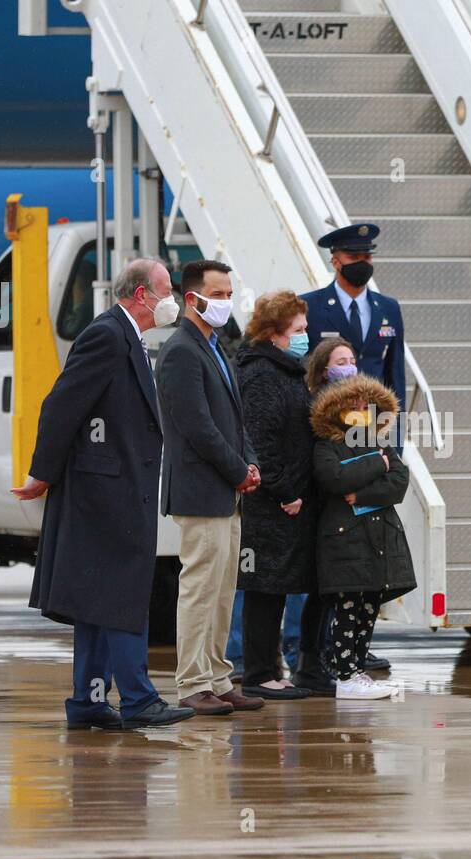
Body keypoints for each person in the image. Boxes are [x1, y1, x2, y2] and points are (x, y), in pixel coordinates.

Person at [14, 258, 193, 730]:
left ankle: (89, 702)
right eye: (165, 289)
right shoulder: (107, 335)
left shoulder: (127, 337)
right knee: (122, 591)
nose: (171, 298)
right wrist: (42, 474)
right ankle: (138, 698)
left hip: (116, 486)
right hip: (103, 490)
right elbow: (60, 406)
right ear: (140, 296)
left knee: (97, 597)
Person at [155, 259, 266, 717]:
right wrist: (237, 469)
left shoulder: (216, 347)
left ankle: (218, 677)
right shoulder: (181, 350)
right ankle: (192, 683)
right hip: (203, 489)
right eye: (217, 295)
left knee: (223, 589)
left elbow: (234, 421)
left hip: (228, 489)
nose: (226, 302)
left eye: (228, 294)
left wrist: (250, 464)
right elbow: (197, 426)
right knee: (200, 588)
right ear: (191, 298)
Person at [233, 290, 328, 699]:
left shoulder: (284, 370)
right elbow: (262, 441)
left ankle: (273, 669)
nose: (307, 336)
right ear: (275, 334)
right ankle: (259, 673)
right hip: (271, 504)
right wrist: (285, 491)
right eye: (300, 330)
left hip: (288, 504)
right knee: (263, 590)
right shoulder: (261, 375)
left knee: (276, 588)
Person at [309, 373, 415, 700]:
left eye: (365, 404)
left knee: (369, 608)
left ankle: (358, 671)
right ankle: (345, 675)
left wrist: (364, 493)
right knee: (348, 607)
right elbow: (335, 478)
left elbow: (399, 481)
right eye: (352, 404)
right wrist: (376, 463)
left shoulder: (379, 442)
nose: (360, 408)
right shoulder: (327, 446)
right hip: (344, 541)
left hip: (378, 540)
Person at [301, 223, 405, 408]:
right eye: (354, 257)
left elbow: (395, 370)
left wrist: (397, 426)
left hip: (375, 419)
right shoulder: (310, 306)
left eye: (367, 257)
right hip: (326, 418)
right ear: (335, 262)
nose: (362, 263)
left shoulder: (388, 308)